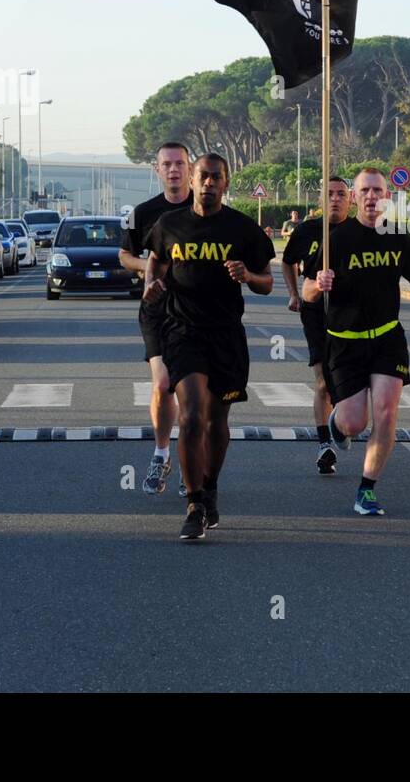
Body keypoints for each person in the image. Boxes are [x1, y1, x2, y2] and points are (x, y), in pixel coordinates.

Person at [143, 153, 275, 540]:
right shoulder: (170, 225)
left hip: (226, 335)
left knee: (218, 422)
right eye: (203, 176)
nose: (209, 184)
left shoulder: (242, 228)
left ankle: (210, 485)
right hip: (183, 331)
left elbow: (267, 282)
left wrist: (247, 274)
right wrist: (152, 285)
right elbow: (155, 261)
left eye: (217, 177)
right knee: (191, 415)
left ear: (226, 182)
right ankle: (195, 503)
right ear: (193, 179)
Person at [303, 167, 410, 516]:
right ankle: (339, 423)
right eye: (364, 190)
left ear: (387, 196)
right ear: (354, 197)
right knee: (354, 423)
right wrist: (318, 283)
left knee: (386, 411)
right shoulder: (335, 239)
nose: (371, 196)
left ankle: (366, 489)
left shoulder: (397, 237)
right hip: (344, 341)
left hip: (386, 338)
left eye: (378, 191)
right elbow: (307, 292)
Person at [119, 142, 192, 497]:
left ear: (190, 168)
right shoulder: (143, 212)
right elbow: (123, 255)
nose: (174, 169)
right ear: (157, 170)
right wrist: (148, 270)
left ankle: (189, 460)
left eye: (180, 163)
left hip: (198, 312)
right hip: (157, 308)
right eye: (168, 164)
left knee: (193, 392)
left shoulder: (205, 208)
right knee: (163, 384)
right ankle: (161, 452)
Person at [281, 177, 353, 475]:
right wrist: (294, 294)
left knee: (347, 381)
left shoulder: (358, 232)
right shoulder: (308, 229)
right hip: (314, 312)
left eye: (341, 194)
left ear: (351, 199)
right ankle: (324, 443)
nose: (335, 199)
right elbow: (287, 262)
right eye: (330, 194)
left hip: (350, 313)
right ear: (322, 199)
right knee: (323, 378)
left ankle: (343, 419)